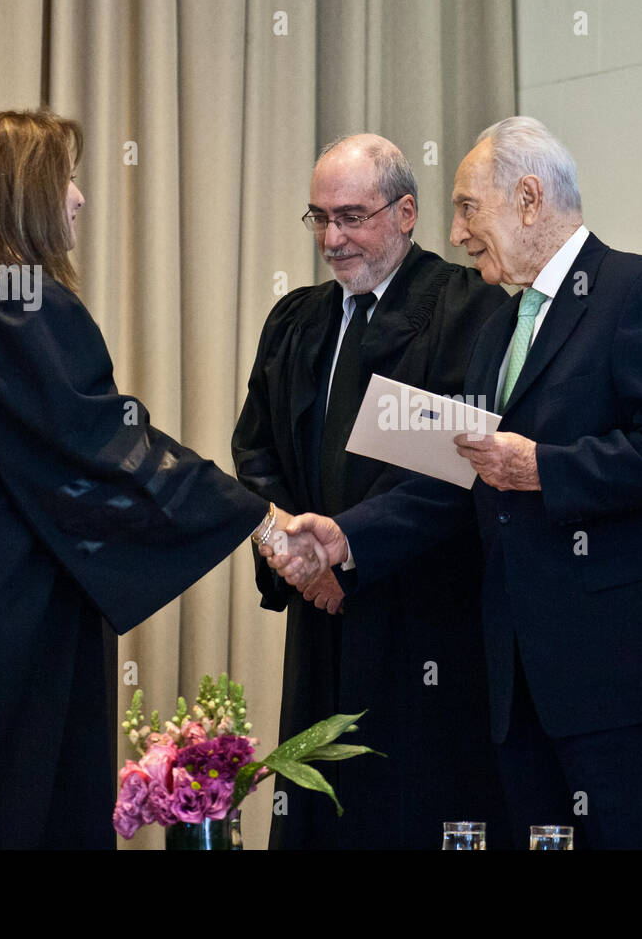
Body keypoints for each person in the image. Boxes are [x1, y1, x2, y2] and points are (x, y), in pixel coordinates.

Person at [0, 109, 319, 848]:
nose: (79, 198)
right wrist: (259, 519)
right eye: (66, 181)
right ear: (18, 195)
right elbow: (99, 444)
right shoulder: (13, 301)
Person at [270, 117, 642, 849]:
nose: (455, 233)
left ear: (528, 197)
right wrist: (347, 536)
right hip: (517, 685)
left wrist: (543, 466)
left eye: (468, 208)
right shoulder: (500, 328)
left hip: (622, 678)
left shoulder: (639, 289)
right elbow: (453, 476)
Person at [231, 133, 510, 848]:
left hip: (421, 621)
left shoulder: (467, 309)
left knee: (406, 811)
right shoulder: (297, 320)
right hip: (319, 618)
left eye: (352, 216)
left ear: (407, 212)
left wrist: (346, 549)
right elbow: (255, 450)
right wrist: (290, 547)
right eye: (320, 218)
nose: (333, 238)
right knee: (318, 814)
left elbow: (452, 467)